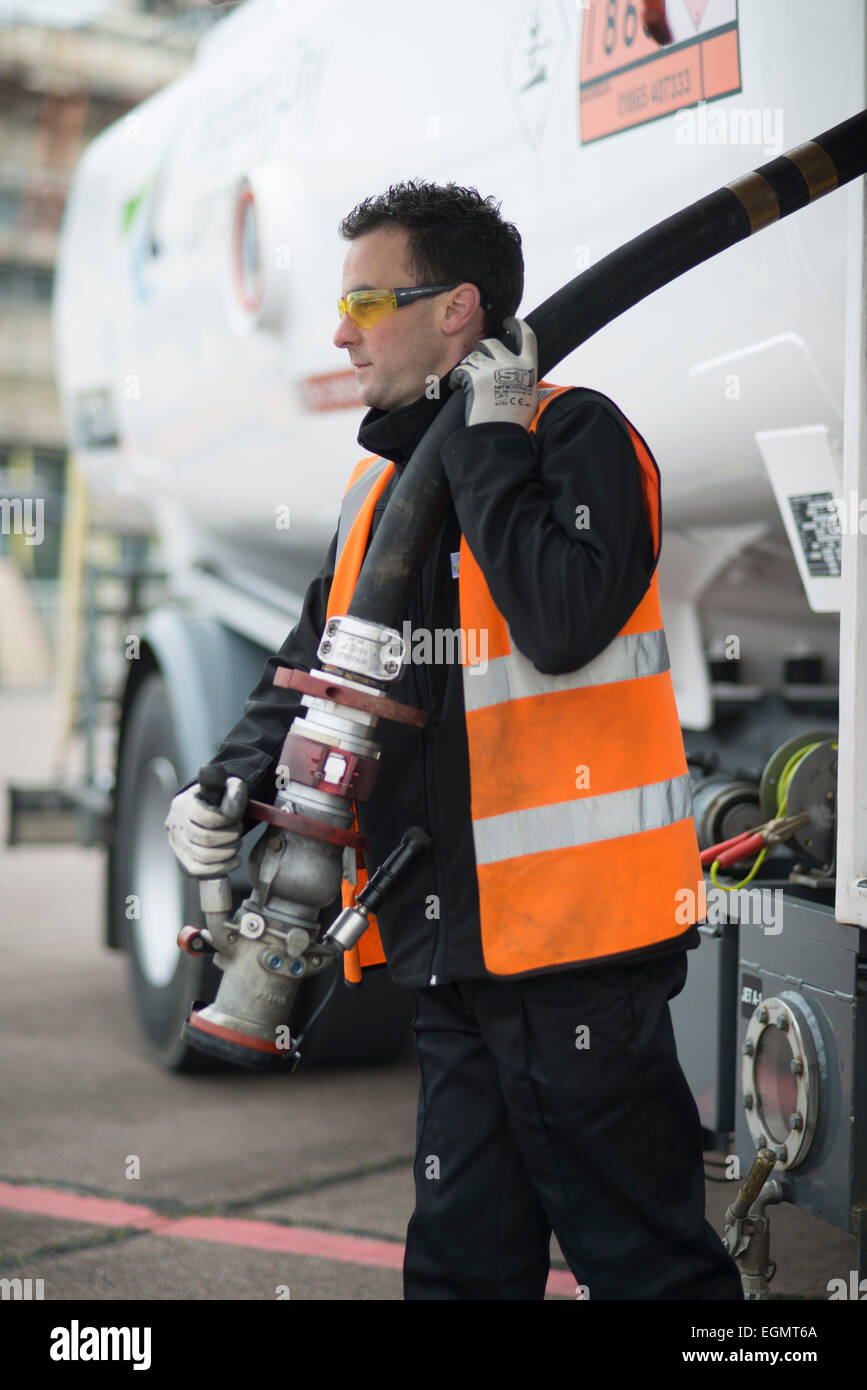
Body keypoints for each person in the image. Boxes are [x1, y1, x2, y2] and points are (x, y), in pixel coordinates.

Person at [166, 180, 743, 1301]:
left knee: (647, 1267)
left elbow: (562, 619)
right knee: (460, 1271)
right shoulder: (379, 482)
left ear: (457, 313)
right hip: (450, 954)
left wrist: (482, 443)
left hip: (577, 960)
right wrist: (225, 779)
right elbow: (315, 659)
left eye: (368, 299)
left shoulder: (578, 434)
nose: (340, 331)